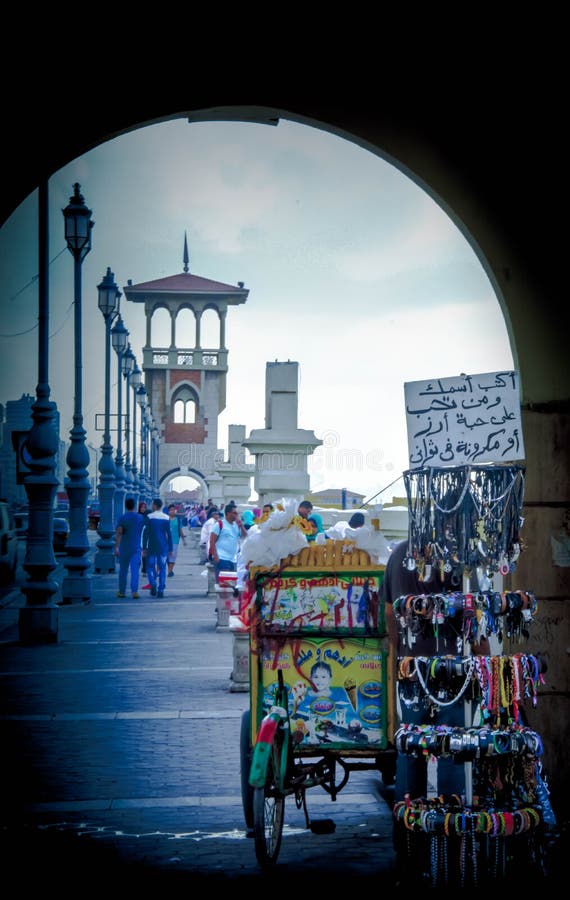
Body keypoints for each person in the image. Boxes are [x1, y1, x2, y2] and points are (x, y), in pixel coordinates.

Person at [381, 539, 489, 802]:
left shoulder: (398, 554)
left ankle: (408, 816)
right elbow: (474, 619)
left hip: (411, 668)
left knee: (411, 742)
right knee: (452, 744)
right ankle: (450, 817)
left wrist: (402, 652)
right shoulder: (459, 556)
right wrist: (486, 665)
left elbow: (388, 613)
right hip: (453, 671)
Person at [208, 501, 247, 582]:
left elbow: (245, 536)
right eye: (234, 513)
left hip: (233, 559)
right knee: (224, 584)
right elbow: (212, 541)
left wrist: (241, 525)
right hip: (222, 558)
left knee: (232, 584)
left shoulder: (236, 525)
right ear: (228, 513)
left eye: (237, 513)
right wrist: (216, 556)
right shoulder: (219, 524)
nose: (237, 515)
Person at [114, 497, 145, 598]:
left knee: (123, 570)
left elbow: (119, 532)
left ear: (125, 506)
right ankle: (134, 592)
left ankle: (122, 592)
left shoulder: (122, 518)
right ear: (135, 506)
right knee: (135, 571)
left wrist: (117, 547)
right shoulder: (140, 518)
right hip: (136, 547)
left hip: (124, 547)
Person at [142, 498, 173, 598]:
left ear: (155, 505)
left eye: (152, 504)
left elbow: (146, 534)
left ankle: (153, 583)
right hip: (163, 546)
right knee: (162, 568)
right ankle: (161, 589)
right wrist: (170, 548)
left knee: (149, 567)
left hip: (152, 546)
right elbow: (169, 534)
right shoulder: (166, 518)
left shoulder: (149, 517)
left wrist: (144, 547)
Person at [167, 503, 187, 577]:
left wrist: (184, 540)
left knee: (173, 556)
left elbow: (180, 530)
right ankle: (169, 570)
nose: (172, 511)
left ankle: (170, 571)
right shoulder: (166, 519)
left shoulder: (178, 520)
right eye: (170, 510)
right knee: (166, 556)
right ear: (168, 511)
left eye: (173, 510)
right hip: (166, 541)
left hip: (175, 541)